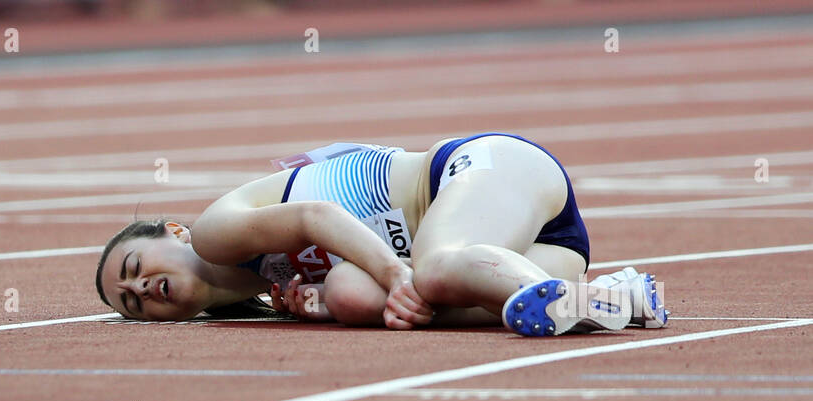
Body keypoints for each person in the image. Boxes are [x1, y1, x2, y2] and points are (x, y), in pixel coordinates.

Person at [94, 134, 668, 336]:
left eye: (133, 268)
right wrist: (315, 308)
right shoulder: (275, 292)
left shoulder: (215, 234)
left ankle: (560, 299)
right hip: (542, 251)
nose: (140, 289)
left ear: (173, 230)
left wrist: (397, 273)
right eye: (130, 303)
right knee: (350, 295)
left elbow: (316, 215)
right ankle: (610, 298)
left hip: (482, 170)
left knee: (433, 268)